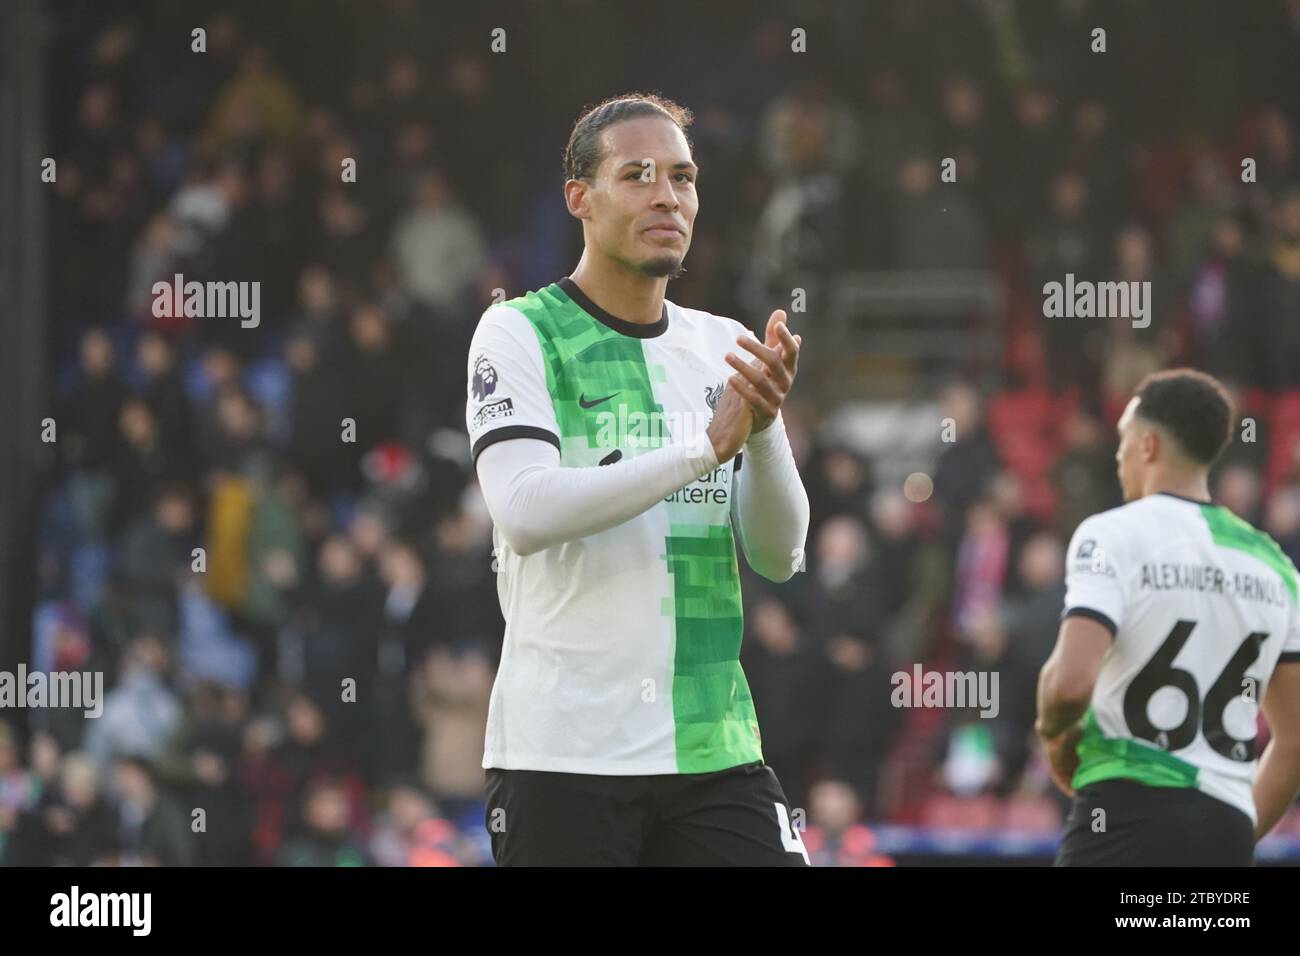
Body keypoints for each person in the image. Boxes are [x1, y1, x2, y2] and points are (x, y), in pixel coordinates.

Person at [465, 93, 810, 865]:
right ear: (578, 199)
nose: (668, 196)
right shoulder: (520, 331)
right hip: (563, 758)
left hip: (713, 749)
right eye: (639, 175)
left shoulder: (724, 345)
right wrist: (700, 450)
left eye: (683, 178)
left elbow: (780, 555)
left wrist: (762, 430)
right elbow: (522, 509)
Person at [1036, 368, 1300, 866]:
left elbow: (1069, 684)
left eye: (1123, 441)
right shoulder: (1274, 565)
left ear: (1149, 445)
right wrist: (1238, 833)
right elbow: (1296, 738)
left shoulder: (1113, 534)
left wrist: (1054, 737)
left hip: (1124, 816)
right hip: (1223, 825)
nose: (1118, 456)